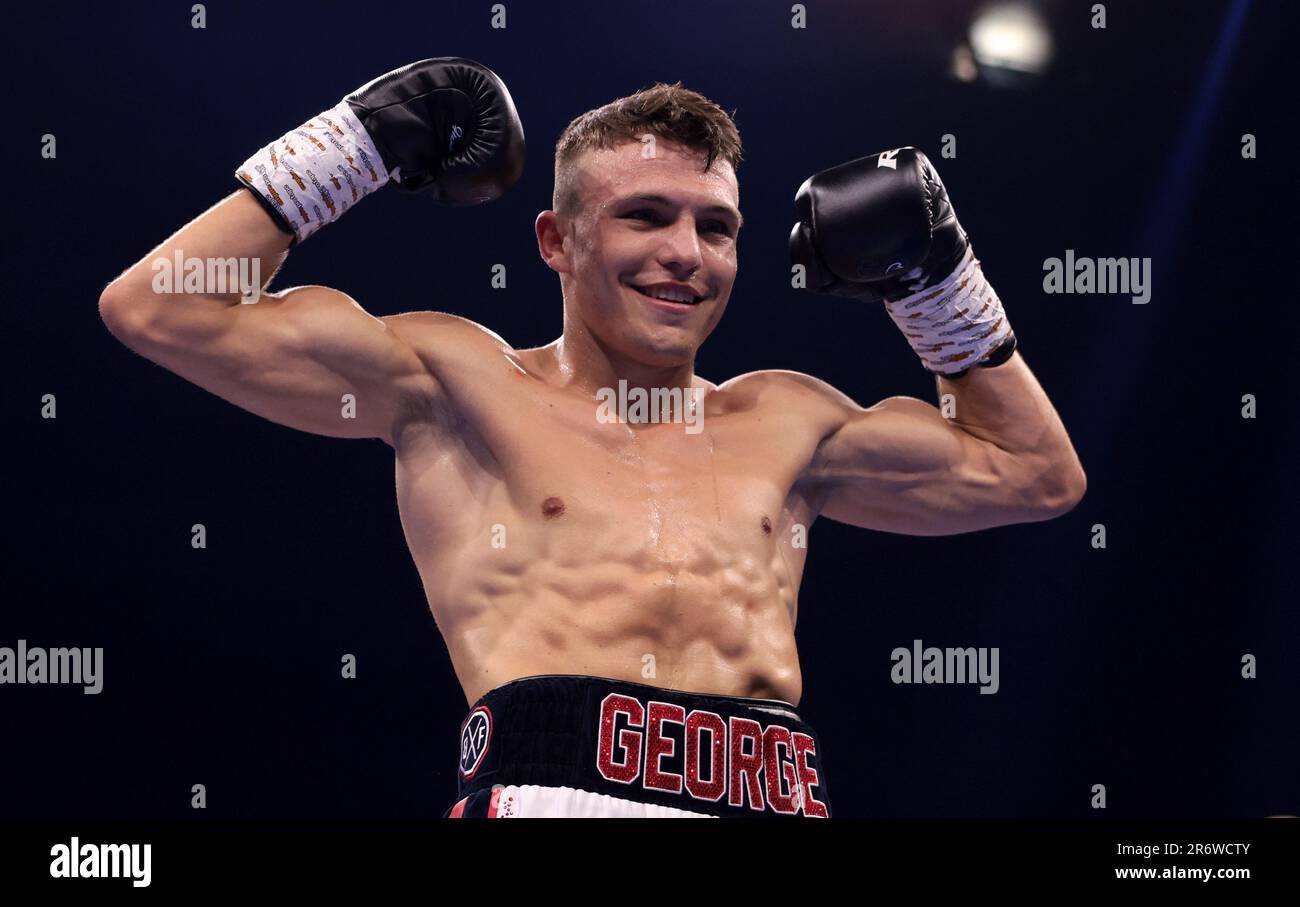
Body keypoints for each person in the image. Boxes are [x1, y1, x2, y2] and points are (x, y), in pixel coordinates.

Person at [99, 57, 1085, 818]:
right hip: (558, 790)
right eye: (645, 216)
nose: (683, 254)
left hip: (780, 795)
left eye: (715, 226)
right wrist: (356, 144)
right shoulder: (456, 382)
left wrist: (935, 286)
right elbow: (159, 310)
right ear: (556, 241)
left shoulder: (788, 416)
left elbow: (1035, 475)